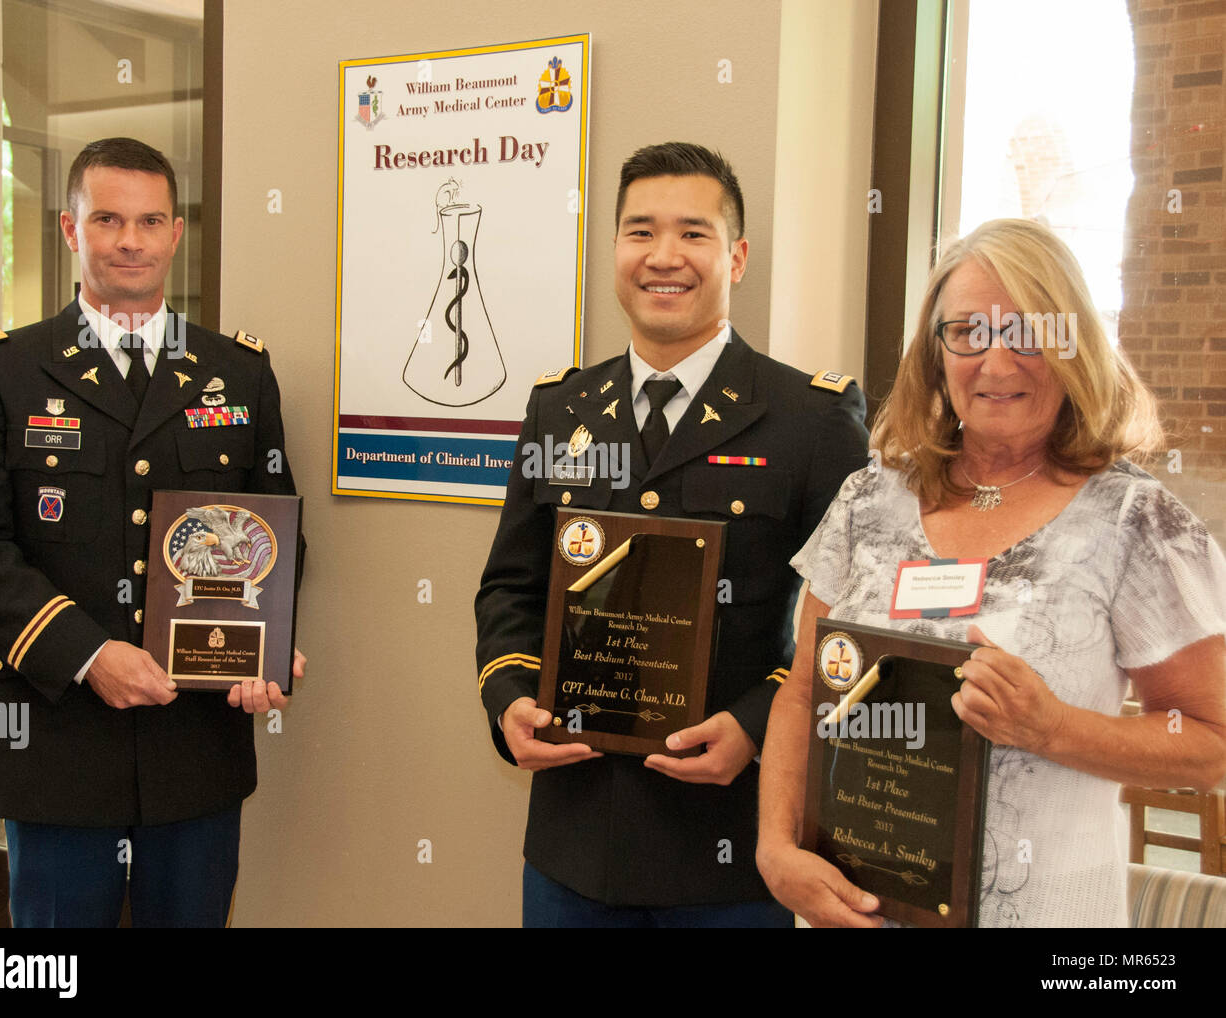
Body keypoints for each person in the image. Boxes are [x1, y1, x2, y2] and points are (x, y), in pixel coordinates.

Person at [756, 218, 1226, 927]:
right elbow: (802, 694)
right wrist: (775, 848)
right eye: (968, 332)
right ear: (935, 353)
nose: (997, 363)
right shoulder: (868, 500)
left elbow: (1210, 746)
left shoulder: (1137, 521)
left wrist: (1051, 727)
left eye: (1028, 333)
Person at [475, 142, 869, 926]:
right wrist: (509, 695)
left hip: (725, 853)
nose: (663, 256)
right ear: (615, 249)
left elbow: (854, 625)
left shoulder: (812, 420)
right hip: (574, 844)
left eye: (693, 233)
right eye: (640, 232)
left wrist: (757, 725)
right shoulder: (560, 409)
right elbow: (512, 586)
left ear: (737, 256)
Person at [0, 137, 304, 927]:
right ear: (71, 229)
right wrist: (90, 655)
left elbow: (273, 535)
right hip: (55, 751)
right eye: (108, 219)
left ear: (175, 233)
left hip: (194, 752)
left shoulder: (237, 372)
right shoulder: (2, 371)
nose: (131, 240)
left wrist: (266, 640)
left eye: (150, 220)